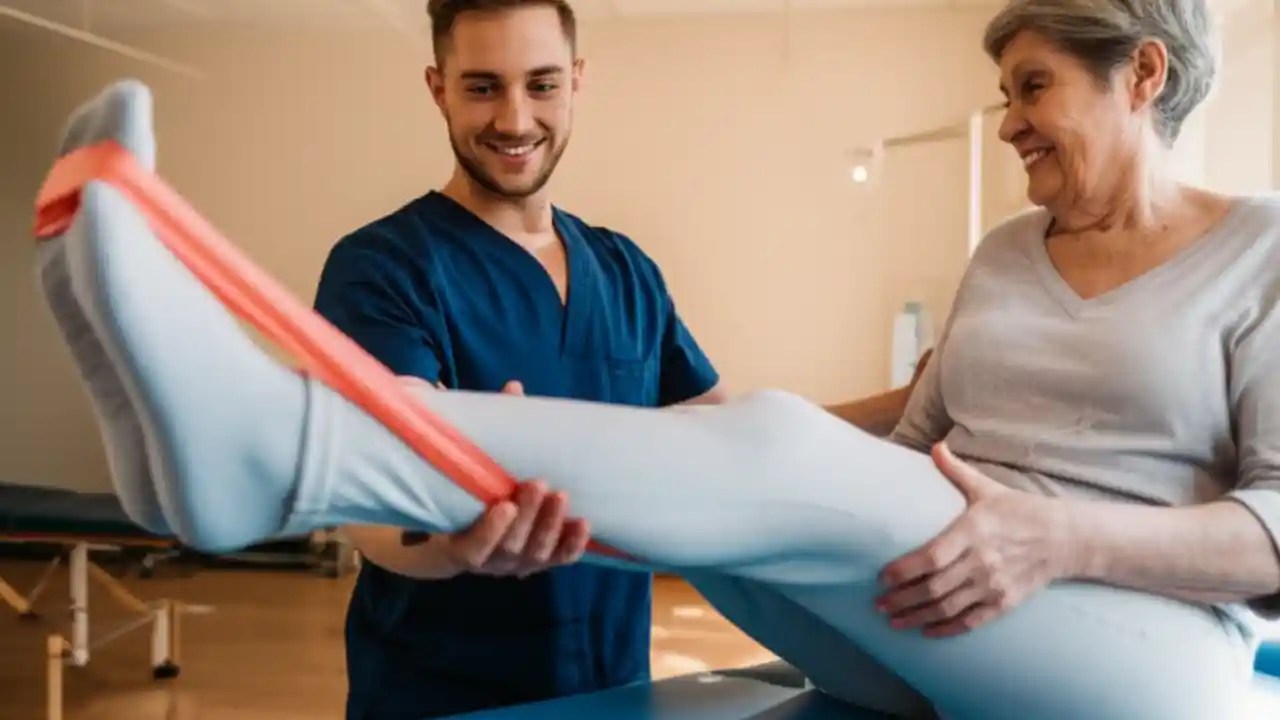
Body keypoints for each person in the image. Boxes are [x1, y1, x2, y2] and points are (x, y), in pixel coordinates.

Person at [42, 0, 1280, 716]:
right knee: (724, 500)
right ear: (439, 90)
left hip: (1140, 646)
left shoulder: (1259, 252)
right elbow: (910, 441)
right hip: (943, 620)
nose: (1005, 117)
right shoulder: (1007, 251)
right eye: (482, 86)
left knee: (764, 443)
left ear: (1143, 76)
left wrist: (1056, 537)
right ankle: (258, 457)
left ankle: (279, 445)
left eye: (1029, 86)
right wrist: (705, 460)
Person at [307, 1, 918, 717]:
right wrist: (459, 541)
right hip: (439, 697)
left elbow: (735, 450)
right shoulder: (382, 267)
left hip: (615, 691)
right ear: (438, 87)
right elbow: (376, 510)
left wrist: (901, 407)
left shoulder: (625, 270)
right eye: (482, 87)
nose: (513, 119)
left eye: (540, 84)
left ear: (576, 81)